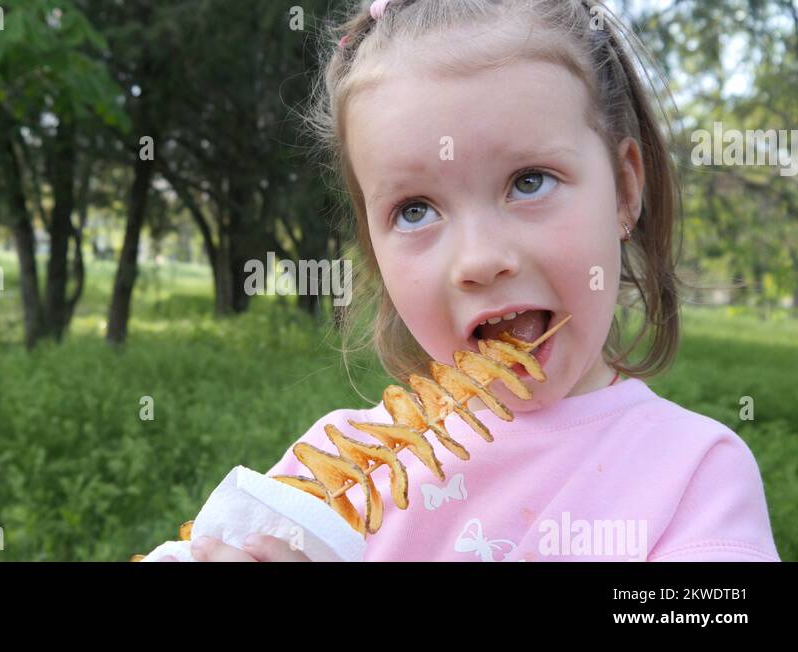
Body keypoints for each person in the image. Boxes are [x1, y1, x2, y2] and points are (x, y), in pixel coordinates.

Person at [167, 0, 780, 562]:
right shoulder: (332, 475)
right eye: (415, 210)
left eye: (530, 180)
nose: (480, 260)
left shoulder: (693, 478)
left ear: (624, 188)